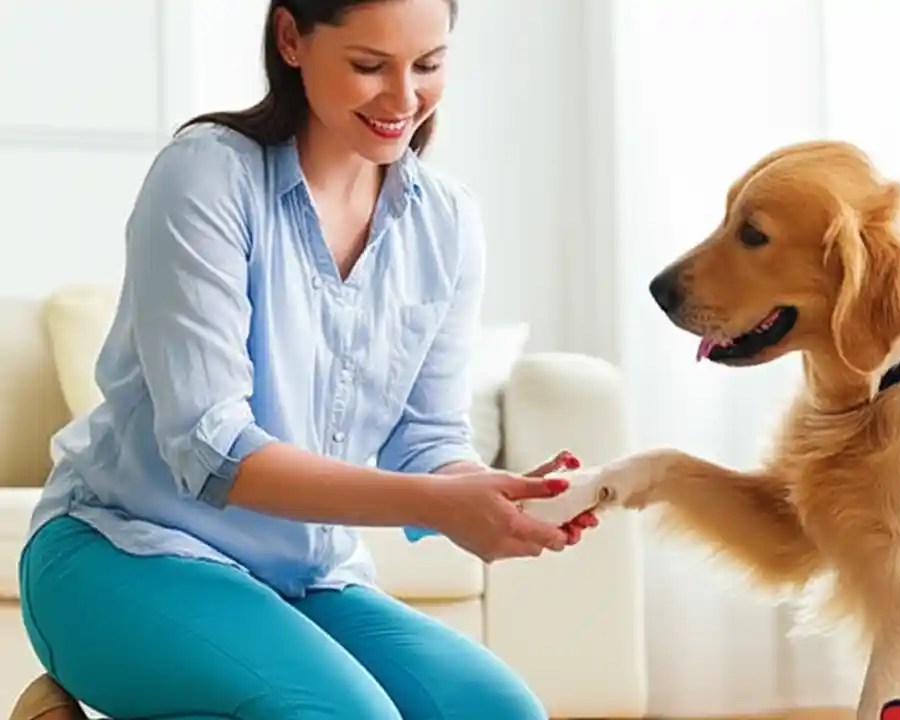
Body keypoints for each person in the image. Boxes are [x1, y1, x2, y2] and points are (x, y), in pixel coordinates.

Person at [12, 1, 598, 718]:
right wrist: (438, 505)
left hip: (306, 578)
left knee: (500, 712)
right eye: (368, 65)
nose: (404, 98)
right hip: (123, 551)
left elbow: (428, 438)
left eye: (429, 64)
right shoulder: (207, 175)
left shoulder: (445, 221)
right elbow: (213, 448)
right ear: (292, 38)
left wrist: (492, 496)